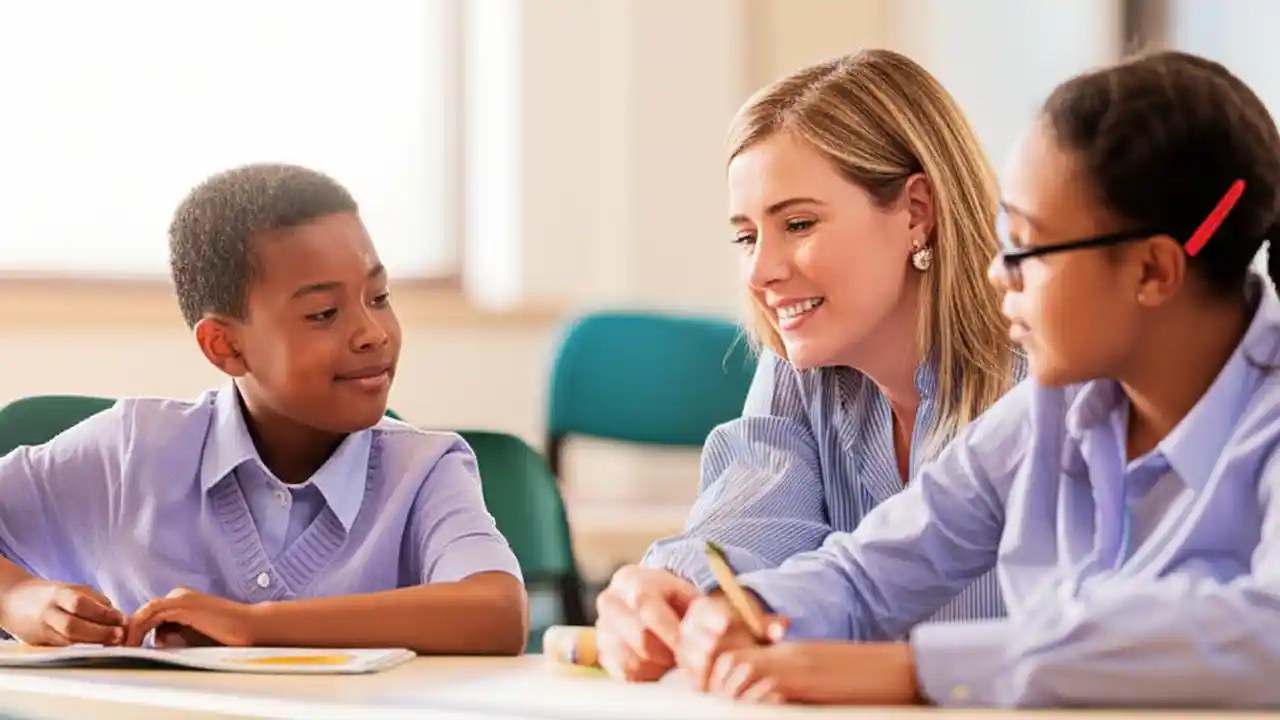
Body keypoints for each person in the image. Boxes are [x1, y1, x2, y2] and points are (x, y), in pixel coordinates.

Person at [678, 50, 1280, 708]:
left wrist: (918, 670)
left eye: (1027, 248)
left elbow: (1261, 631)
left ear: (1153, 273)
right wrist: (747, 609)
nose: (999, 273)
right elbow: (874, 569)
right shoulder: (1054, 409)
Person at [594, 49, 1023, 681]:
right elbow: (751, 519)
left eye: (797, 223)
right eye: (747, 236)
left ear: (917, 212)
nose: (761, 271)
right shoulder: (805, 364)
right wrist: (670, 587)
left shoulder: (1046, 376)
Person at [0, 163, 527, 655]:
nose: (371, 333)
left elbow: (497, 611)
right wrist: (18, 597)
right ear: (225, 346)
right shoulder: (132, 450)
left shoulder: (423, 471)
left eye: (380, 297)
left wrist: (253, 626)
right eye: (324, 313)